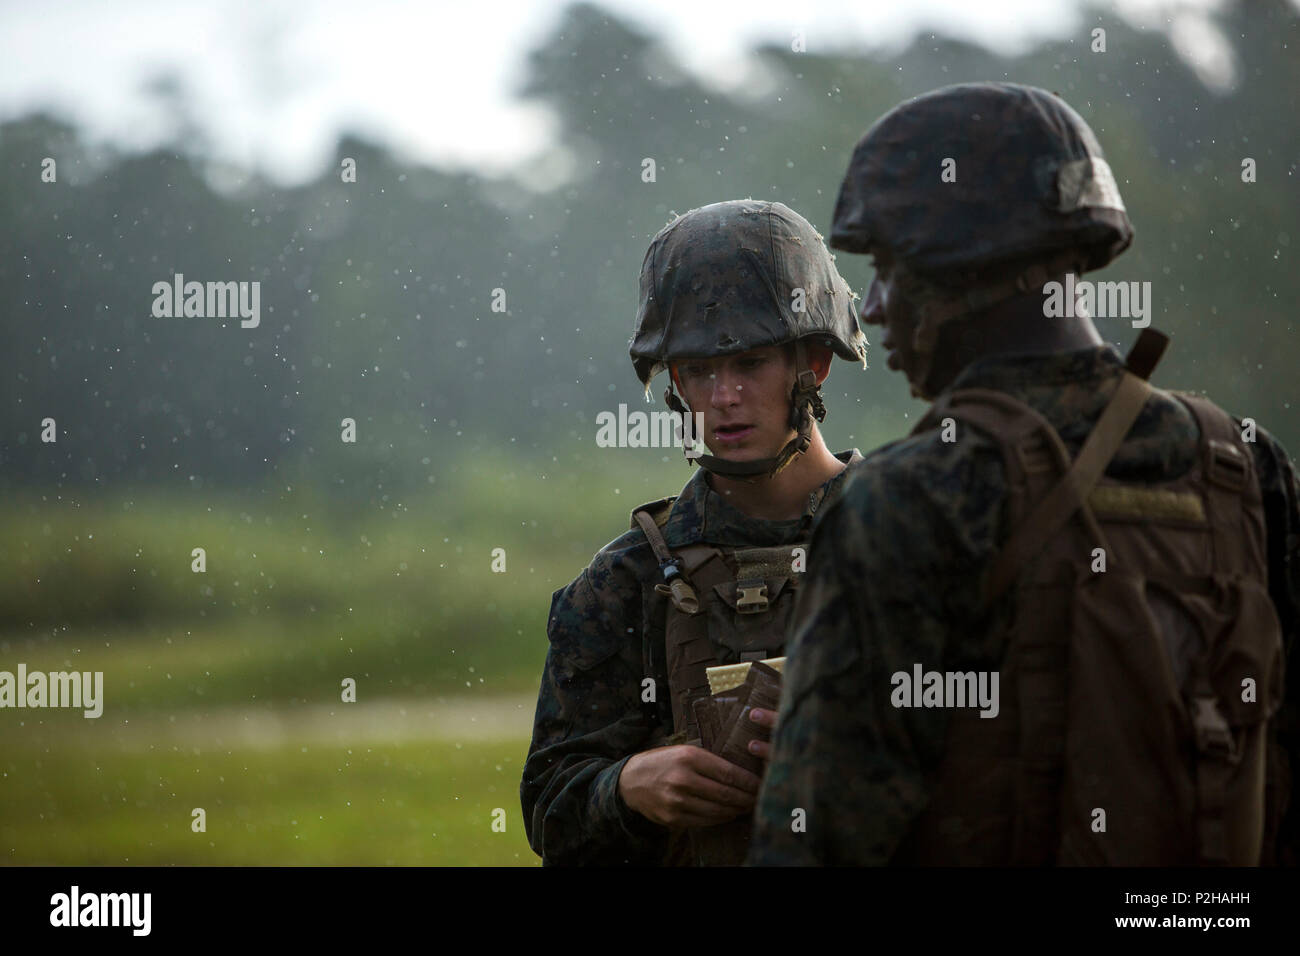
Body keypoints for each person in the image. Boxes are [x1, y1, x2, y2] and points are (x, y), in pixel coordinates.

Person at [749, 82, 1300, 865]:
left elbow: (818, 838)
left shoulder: (912, 496)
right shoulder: (1246, 466)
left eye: (890, 270)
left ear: (962, 271)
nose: (872, 307)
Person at [521, 199, 869, 865]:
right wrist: (625, 788)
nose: (723, 396)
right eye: (699, 370)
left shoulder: (912, 541)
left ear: (814, 364)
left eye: (749, 364)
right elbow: (549, 811)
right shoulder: (626, 583)